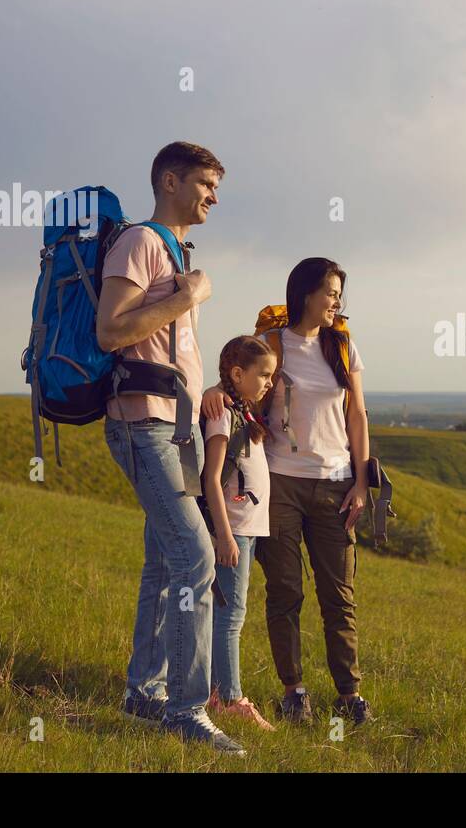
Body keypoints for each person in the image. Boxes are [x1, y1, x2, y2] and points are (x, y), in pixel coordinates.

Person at [97, 141, 245, 755]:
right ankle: (187, 709)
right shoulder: (140, 242)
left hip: (171, 424)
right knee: (197, 557)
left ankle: (143, 692)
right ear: (169, 180)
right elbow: (110, 332)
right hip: (141, 424)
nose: (213, 196)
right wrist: (189, 296)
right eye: (206, 183)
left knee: (163, 564)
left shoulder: (171, 249)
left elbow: (161, 348)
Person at [202, 257, 374, 726]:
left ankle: (350, 694)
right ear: (306, 294)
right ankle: (294, 692)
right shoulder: (273, 342)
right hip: (279, 483)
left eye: (340, 294)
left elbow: (357, 414)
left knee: (339, 595)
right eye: (331, 292)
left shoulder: (342, 346)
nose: (337, 302)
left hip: (337, 483)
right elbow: (241, 376)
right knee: (284, 591)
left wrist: (361, 481)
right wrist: (212, 392)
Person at [201, 335, 276, 731]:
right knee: (231, 615)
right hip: (234, 530)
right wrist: (225, 535)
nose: (268, 382)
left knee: (228, 612)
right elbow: (212, 478)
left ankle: (217, 692)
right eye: (262, 374)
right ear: (236, 373)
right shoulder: (222, 413)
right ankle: (228, 698)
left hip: (246, 529)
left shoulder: (241, 410)